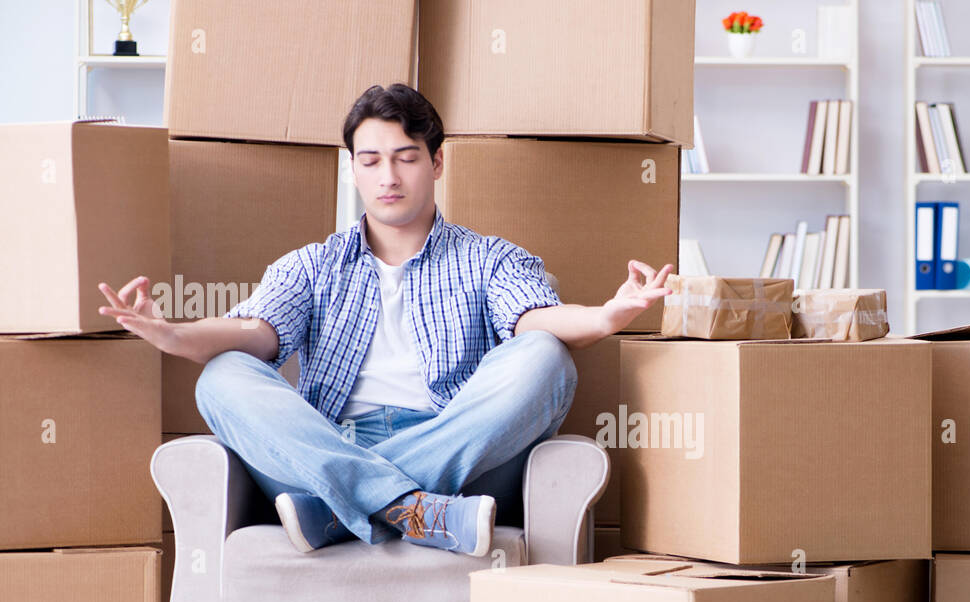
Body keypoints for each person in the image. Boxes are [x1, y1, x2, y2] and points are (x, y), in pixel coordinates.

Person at [98, 83, 671, 557]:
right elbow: (258, 331)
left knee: (546, 356)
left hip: (456, 449)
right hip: (326, 444)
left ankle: (335, 512)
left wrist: (604, 315)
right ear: (352, 169)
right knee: (223, 375)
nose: (388, 177)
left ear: (437, 161)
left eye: (405, 157)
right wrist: (174, 334)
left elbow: (532, 317)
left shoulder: (491, 258)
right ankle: (410, 509)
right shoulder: (314, 264)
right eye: (371, 161)